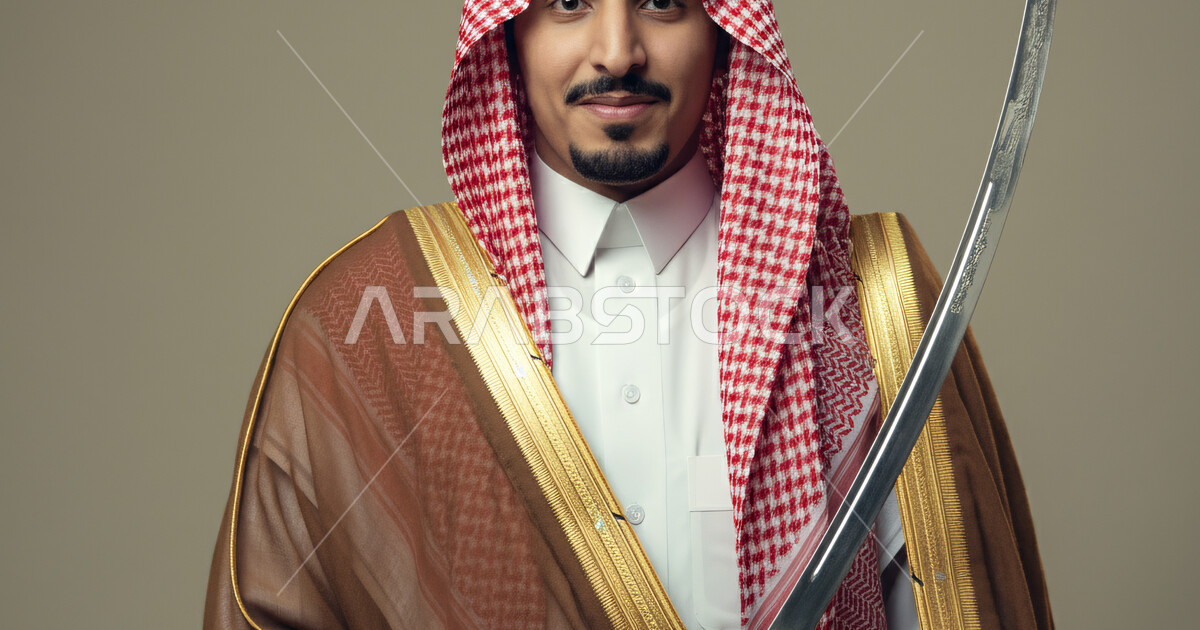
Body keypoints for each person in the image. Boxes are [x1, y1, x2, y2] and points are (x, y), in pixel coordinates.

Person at [204, 1, 1052, 629]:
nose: (618, 51)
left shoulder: (871, 307)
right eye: (569, 3)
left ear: (723, 28)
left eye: (664, 2)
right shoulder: (360, 330)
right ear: (507, 30)